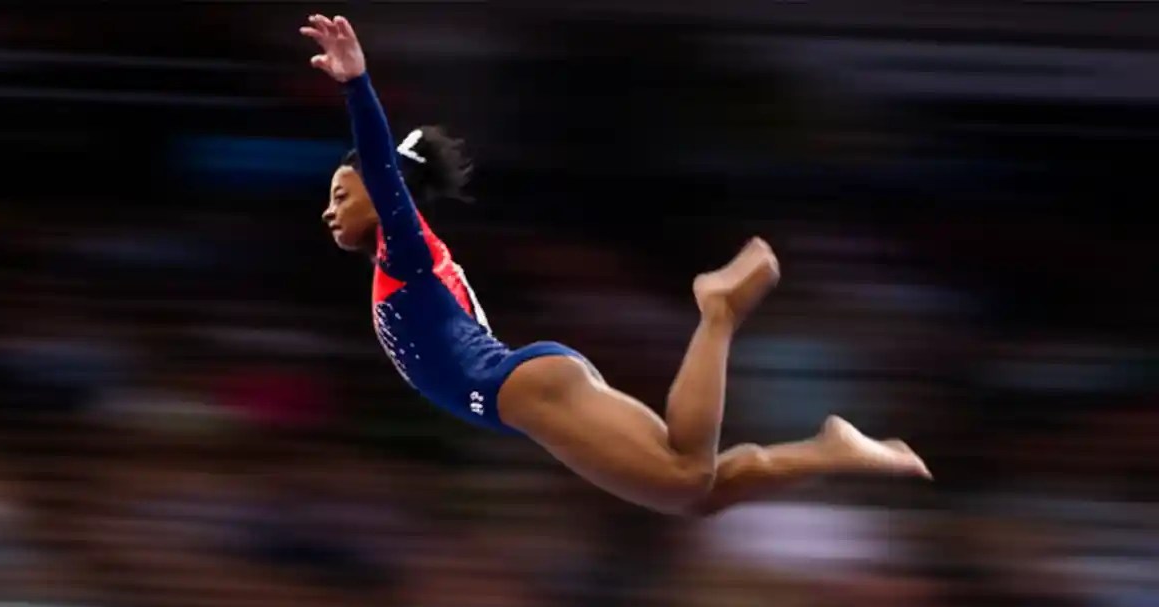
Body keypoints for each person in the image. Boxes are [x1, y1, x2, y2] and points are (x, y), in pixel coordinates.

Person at [301, 14, 930, 517]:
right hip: (528, 390)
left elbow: (384, 170)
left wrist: (356, 83)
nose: (329, 211)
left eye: (340, 193)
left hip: (523, 390)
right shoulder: (413, 264)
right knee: (698, 493)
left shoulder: (405, 252)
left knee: (686, 477)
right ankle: (828, 450)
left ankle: (718, 311)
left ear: (387, 198)